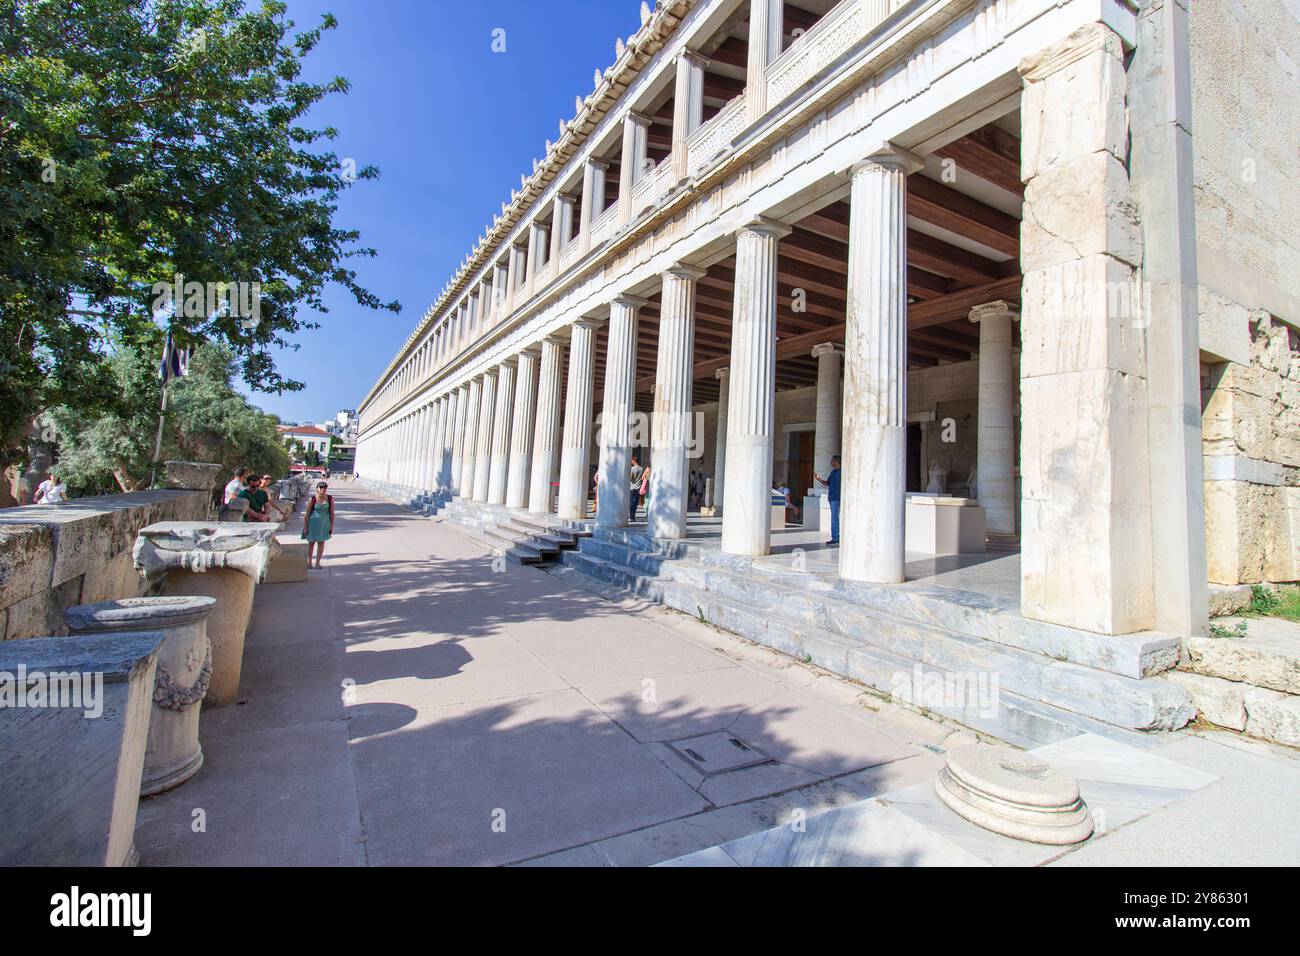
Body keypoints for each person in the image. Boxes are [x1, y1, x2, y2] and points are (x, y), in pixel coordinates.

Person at [302, 481, 334, 569]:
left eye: (324, 487)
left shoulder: (330, 499)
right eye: (321, 487)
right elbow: (307, 514)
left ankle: (317, 563)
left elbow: (331, 513)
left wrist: (331, 526)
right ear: (317, 488)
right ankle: (309, 562)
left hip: (324, 524)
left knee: (321, 542)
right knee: (311, 543)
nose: (323, 489)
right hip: (313, 524)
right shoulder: (312, 499)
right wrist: (305, 526)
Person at [812, 454, 842, 545]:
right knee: (834, 518)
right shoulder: (833, 472)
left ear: (837, 461)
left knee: (834, 518)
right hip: (831, 498)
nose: (830, 462)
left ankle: (835, 538)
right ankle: (836, 537)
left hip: (837, 498)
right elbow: (827, 483)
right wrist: (818, 479)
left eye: (832, 460)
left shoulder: (842, 472)